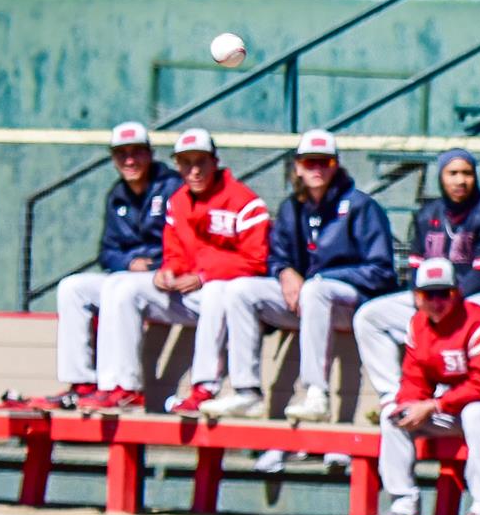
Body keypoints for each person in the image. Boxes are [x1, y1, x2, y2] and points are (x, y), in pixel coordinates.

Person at [205, 130, 398, 420]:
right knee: (239, 290)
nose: (316, 169)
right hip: (309, 304)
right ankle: (247, 391)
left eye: (324, 162)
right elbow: (277, 255)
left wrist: (322, 278)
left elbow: (381, 271)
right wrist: (283, 272)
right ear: (297, 166)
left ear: (336, 165)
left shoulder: (360, 206)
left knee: (315, 291)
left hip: (355, 305)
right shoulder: (292, 208)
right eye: (310, 162)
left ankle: (316, 394)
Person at [83, 128, 270, 415]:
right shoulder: (179, 199)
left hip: (221, 292)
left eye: (201, 162)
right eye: (185, 163)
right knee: (123, 286)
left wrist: (204, 275)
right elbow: (175, 250)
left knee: (219, 292)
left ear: (215, 161)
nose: (194, 171)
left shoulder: (244, 201)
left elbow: (256, 260)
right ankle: (121, 388)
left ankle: (205, 386)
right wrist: (167, 271)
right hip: (188, 290)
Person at [361, 258, 480, 515]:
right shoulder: (418, 326)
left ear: (457, 292)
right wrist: (410, 404)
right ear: (416, 296)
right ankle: (404, 507)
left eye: (443, 293)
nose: (436, 301)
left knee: (476, 412)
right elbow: (414, 377)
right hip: (457, 405)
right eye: (427, 294)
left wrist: (434, 405)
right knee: (393, 416)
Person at [38, 122, 181, 410]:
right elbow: (107, 252)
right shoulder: (117, 195)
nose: (129, 161)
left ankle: (124, 387)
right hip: (130, 278)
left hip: (166, 278)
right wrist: (129, 262)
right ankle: (82, 382)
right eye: (121, 154)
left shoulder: (172, 187)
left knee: (121, 285)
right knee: (72, 287)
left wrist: (153, 263)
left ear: (150, 154)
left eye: (136, 153)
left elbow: (183, 242)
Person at [354, 148, 480, 404]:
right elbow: (417, 269)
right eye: (453, 173)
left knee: (476, 309)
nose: (460, 180)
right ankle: (392, 395)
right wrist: (424, 300)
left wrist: (444, 305)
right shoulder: (427, 214)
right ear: (441, 176)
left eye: (467, 173)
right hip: (437, 298)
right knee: (369, 316)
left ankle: (449, 391)